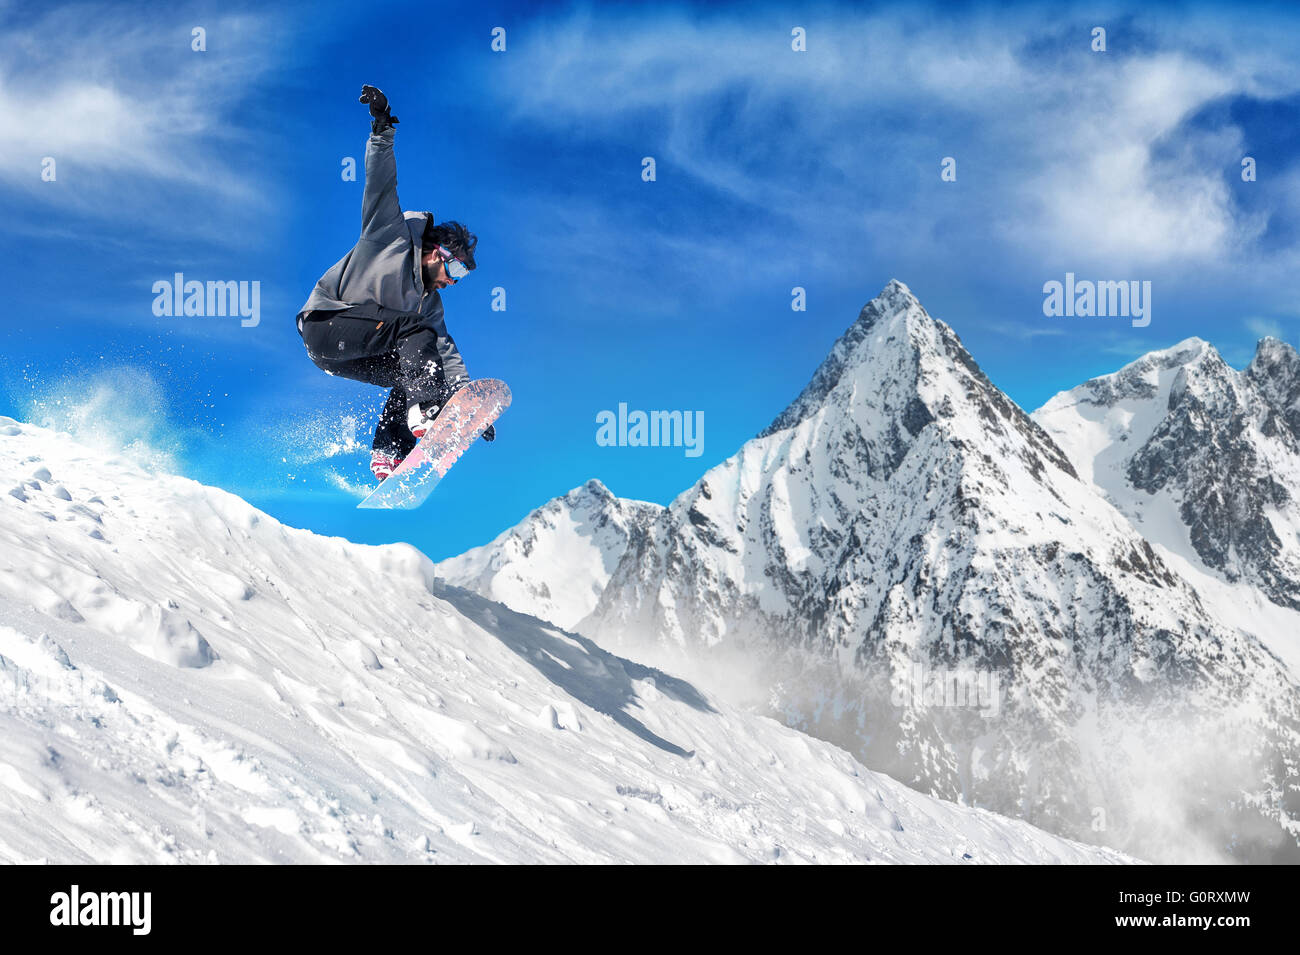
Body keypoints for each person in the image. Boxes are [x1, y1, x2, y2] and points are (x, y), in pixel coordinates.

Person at [296, 84, 493, 482]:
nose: (452, 284)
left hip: (343, 356)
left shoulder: (428, 304)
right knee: (416, 341)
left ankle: (389, 453)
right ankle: (425, 409)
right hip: (325, 325)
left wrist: (466, 405)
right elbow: (381, 183)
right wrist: (382, 127)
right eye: (454, 272)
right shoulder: (389, 234)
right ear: (436, 252)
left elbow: (444, 351)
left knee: (418, 363)